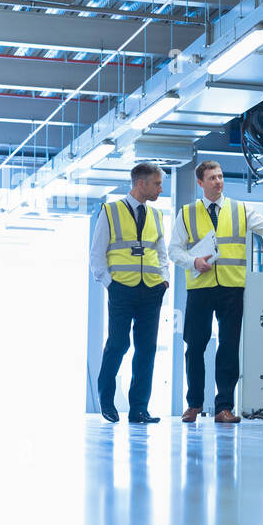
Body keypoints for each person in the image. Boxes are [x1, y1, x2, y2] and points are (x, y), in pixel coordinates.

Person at [169, 160, 263, 423]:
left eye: (220, 176)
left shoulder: (240, 209)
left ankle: (224, 407)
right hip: (200, 286)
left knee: (229, 346)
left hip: (231, 287)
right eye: (212, 178)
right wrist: (193, 262)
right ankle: (194, 405)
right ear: (200, 183)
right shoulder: (186, 213)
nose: (218, 181)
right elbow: (173, 250)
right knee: (195, 347)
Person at [90, 163, 169, 423]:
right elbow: (97, 255)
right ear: (140, 184)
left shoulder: (157, 215)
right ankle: (107, 401)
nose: (160, 188)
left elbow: (161, 253)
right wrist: (110, 283)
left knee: (146, 349)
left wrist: (164, 280)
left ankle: (138, 409)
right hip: (121, 289)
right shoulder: (110, 211)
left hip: (151, 289)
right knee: (118, 344)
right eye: (156, 184)